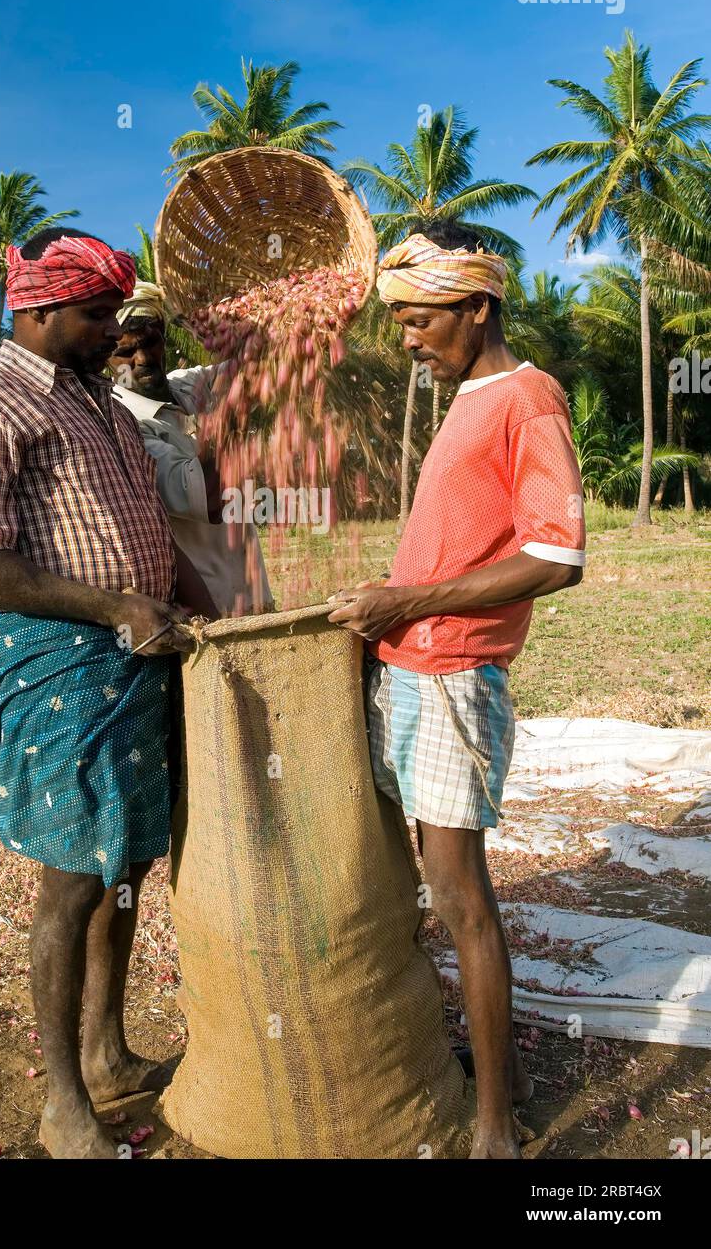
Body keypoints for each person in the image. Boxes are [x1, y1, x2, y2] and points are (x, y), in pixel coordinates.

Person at [0, 228, 216, 1160]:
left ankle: (108, 1049)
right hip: (64, 664)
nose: (111, 333)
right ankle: (63, 1100)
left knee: (124, 864)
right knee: (74, 879)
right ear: (37, 310)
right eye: (95, 316)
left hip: (141, 652)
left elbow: (155, 540)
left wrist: (201, 608)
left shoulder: (105, 407)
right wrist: (109, 605)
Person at [327, 223, 586, 1160]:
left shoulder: (527, 398)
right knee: (429, 887)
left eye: (421, 319)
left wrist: (409, 599)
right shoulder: (470, 397)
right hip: (409, 669)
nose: (406, 339)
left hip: (452, 678)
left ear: (478, 306)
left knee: (460, 896)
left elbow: (556, 557)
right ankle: (497, 1073)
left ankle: (492, 1129)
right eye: (398, 320)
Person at [109, 282, 272, 616]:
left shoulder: (187, 385)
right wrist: (228, 413)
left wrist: (251, 327)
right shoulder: (123, 425)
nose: (141, 360)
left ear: (163, 336)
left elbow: (260, 364)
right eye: (124, 352)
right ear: (105, 357)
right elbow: (212, 498)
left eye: (149, 343)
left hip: (250, 587)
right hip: (205, 607)